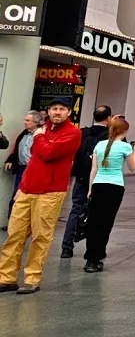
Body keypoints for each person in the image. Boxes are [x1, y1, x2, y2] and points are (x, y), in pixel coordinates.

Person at [0, 96, 81, 294]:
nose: (57, 112)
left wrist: (38, 136)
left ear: (69, 112)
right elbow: (34, 160)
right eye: (54, 108)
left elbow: (50, 152)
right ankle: (6, 277)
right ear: (49, 111)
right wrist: (22, 186)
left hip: (51, 192)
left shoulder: (73, 133)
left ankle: (32, 278)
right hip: (27, 189)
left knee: (40, 236)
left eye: (62, 109)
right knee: (14, 235)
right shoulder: (43, 130)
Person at [83, 116, 135, 273]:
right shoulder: (125, 147)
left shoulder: (99, 145)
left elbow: (93, 169)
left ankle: (90, 256)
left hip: (98, 185)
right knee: (106, 223)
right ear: (125, 131)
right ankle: (97, 257)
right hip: (115, 187)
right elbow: (133, 167)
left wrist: (90, 188)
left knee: (93, 222)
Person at [60, 104, 112, 259]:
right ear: (108, 118)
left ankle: (66, 247)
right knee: (99, 214)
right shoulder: (109, 135)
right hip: (101, 179)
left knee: (75, 209)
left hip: (81, 177)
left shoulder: (82, 133)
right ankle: (92, 251)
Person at [4, 112, 41, 220]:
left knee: (29, 197)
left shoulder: (41, 134)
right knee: (16, 194)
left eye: (27, 120)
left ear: (36, 122)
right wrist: (11, 159)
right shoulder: (24, 133)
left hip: (34, 170)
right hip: (22, 168)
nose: (24, 122)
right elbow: (17, 149)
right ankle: (12, 221)